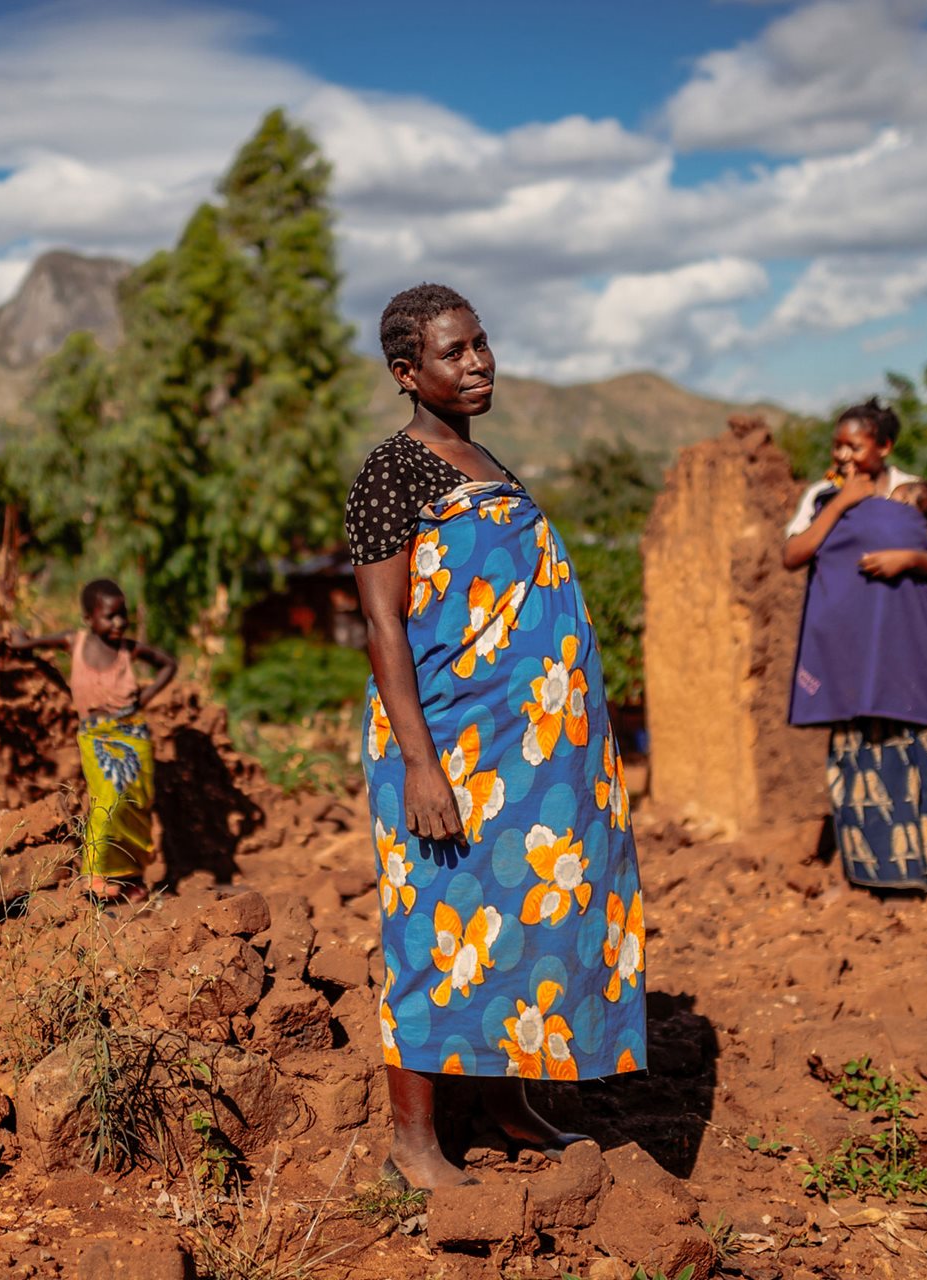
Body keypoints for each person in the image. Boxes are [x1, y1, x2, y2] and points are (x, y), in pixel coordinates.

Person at [347, 284, 648, 1192]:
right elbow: (385, 625)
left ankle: (512, 1105)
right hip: (452, 748)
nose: (478, 362)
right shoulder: (391, 472)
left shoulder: (482, 460)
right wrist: (420, 765)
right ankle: (413, 1141)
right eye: (454, 352)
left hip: (532, 761)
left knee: (530, 921)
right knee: (433, 931)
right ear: (407, 372)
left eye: (481, 343)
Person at [782, 398, 927, 890]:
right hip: (848, 644)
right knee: (854, 741)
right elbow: (793, 553)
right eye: (838, 444)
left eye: (855, 446)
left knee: (913, 732)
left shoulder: (919, 493)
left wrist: (909, 557)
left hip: (904, 639)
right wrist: (842, 502)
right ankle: (873, 871)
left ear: (884, 446)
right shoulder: (822, 495)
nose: (843, 454)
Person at [7, 580, 176, 904]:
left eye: (123, 615)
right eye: (110, 616)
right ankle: (96, 876)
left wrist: (148, 695)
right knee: (107, 801)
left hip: (133, 734)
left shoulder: (129, 649)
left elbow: (168, 663)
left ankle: (132, 878)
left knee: (135, 808)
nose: (119, 623)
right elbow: (30, 645)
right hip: (96, 736)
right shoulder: (75, 641)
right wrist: (19, 640)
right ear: (88, 617)